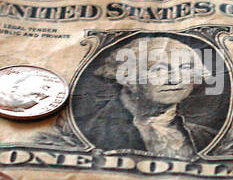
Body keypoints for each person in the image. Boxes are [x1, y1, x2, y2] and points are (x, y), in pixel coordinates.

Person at [77, 35, 223, 157]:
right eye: (158, 69)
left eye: (185, 68)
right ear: (126, 77)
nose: (175, 80)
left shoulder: (207, 137)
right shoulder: (90, 131)